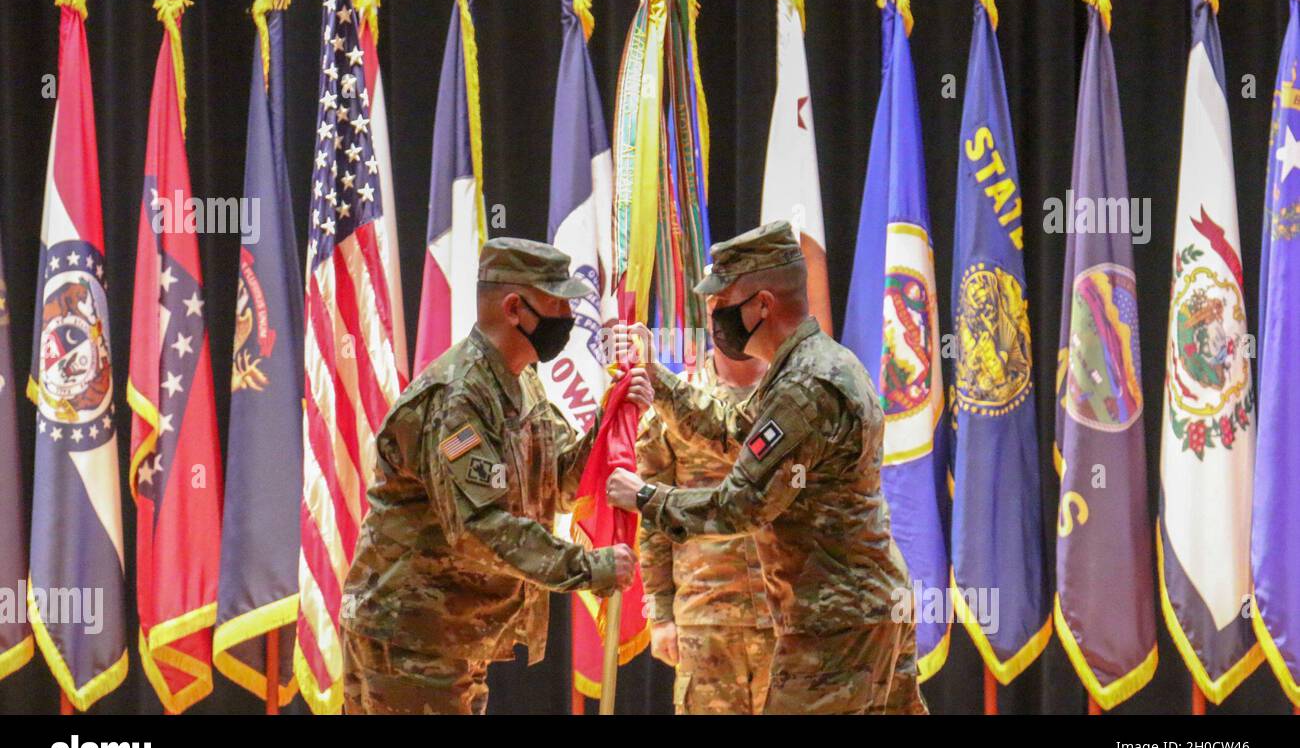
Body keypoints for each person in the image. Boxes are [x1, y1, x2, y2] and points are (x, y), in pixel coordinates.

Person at [608, 220, 927, 714]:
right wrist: (658, 378)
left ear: (762, 305)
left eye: (724, 306)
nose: (715, 319)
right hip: (861, 608)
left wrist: (646, 497)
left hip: (836, 622)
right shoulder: (819, 365)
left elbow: (740, 505)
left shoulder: (805, 387)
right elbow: (736, 433)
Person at [342, 238, 649, 714]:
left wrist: (612, 419)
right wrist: (586, 568)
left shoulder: (519, 379)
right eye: (557, 303)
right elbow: (480, 529)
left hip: (455, 637)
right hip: (409, 639)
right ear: (514, 308)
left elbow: (559, 483)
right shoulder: (458, 398)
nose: (568, 315)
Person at [637, 345, 775, 714]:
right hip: (705, 619)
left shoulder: (791, 395)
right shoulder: (673, 403)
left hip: (787, 618)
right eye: (718, 300)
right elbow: (653, 517)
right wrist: (660, 615)